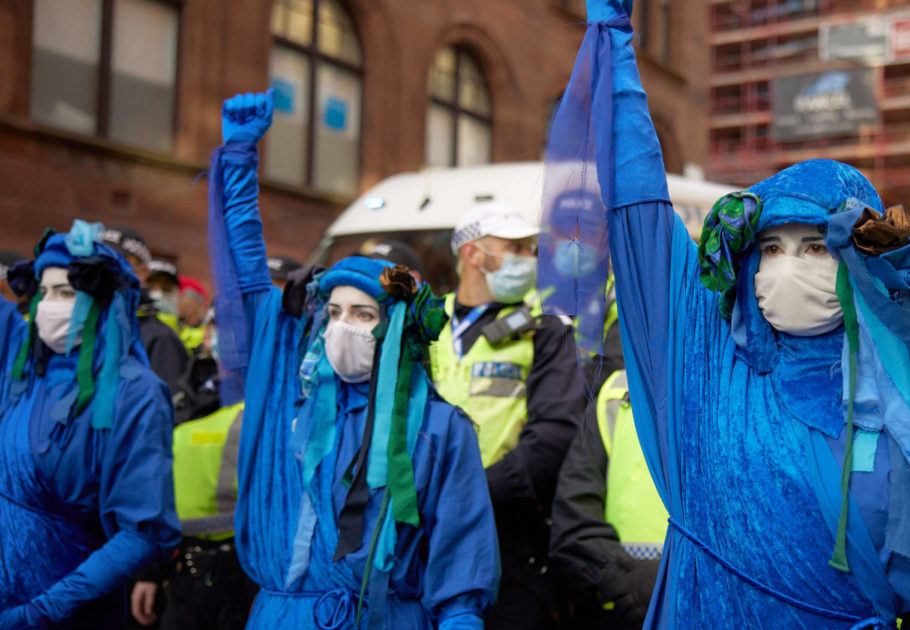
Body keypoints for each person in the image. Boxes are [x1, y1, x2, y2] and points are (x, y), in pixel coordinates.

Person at [541, 2, 910, 627]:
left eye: (816, 247)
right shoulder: (709, 364)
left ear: (860, 263)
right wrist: (616, 44)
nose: (786, 267)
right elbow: (639, 204)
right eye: (769, 248)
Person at [210, 90, 499, 629]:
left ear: (396, 331)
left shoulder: (440, 429)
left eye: (364, 315)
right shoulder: (288, 407)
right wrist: (239, 163)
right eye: (335, 312)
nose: (343, 326)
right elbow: (248, 273)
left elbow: (461, 574)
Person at [0, 220, 180, 628]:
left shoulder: (137, 394)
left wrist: (41, 611)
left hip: (66, 613)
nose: (48, 305)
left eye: (66, 292)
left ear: (102, 301)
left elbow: (143, 531)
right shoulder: (24, 370)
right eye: (43, 293)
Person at [429, 200, 586, 629]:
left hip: (506, 537)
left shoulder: (546, 326)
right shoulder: (423, 323)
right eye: (514, 248)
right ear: (472, 254)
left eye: (529, 249)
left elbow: (554, 435)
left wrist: (472, 493)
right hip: (421, 531)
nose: (528, 260)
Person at [550, 369, 667, 629]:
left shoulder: (756, 385)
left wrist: (675, 583)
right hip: (626, 608)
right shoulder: (616, 391)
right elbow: (574, 522)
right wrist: (625, 580)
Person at [130, 401, 258, 630]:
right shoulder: (255, 421)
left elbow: (148, 508)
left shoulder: (179, 431)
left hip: (184, 571)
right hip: (239, 572)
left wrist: (147, 575)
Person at [101, 227, 189, 392]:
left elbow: (164, 408)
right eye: (100, 260)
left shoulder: (160, 339)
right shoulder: (89, 325)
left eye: (117, 261)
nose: (103, 270)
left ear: (142, 272)